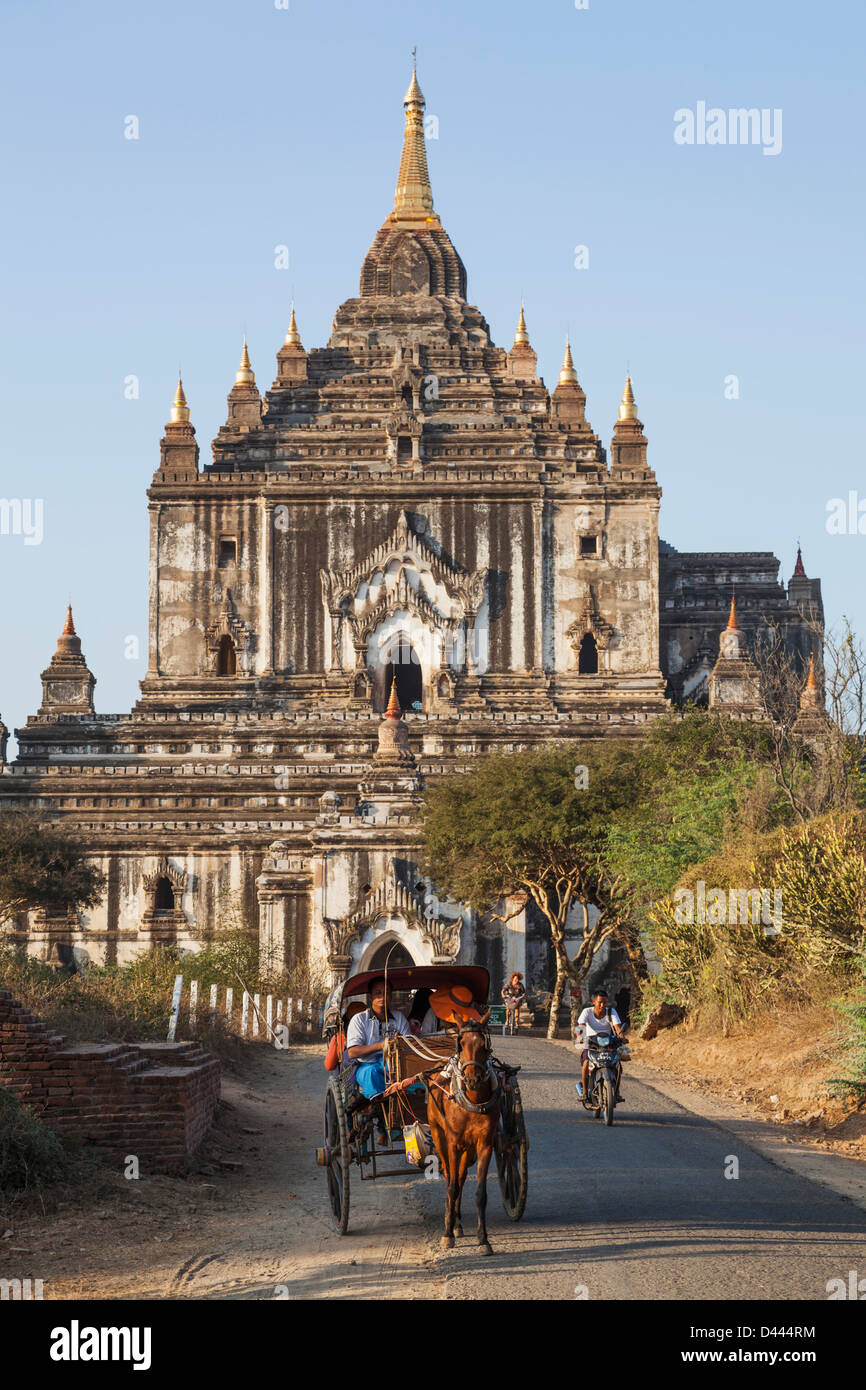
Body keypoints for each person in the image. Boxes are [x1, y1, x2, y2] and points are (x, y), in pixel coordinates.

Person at [345, 976, 410, 1101]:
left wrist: (400, 1041)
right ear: (370, 997)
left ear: (391, 996)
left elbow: (411, 1044)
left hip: (394, 1065)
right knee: (371, 1073)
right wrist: (381, 1045)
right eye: (378, 993)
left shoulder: (399, 1017)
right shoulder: (359, 1019)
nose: (383, 997)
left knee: (414, 1077)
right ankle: (379, 1104)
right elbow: (352, 1052)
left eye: (387, 993)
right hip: (368, 1065)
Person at [574, 989, 624, 1104]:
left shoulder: (611, 1012)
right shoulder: (587, 1012)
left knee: (618, 1066)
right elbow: (581, 1025)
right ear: (593, 1002)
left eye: (605, 1003)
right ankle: (584, 1092)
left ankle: (616, 1093)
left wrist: (622, 1037)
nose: (602, 1005)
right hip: (591, 1042)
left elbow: (617, 1028)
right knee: (586, 1063)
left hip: (608, 1042)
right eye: (599, 1002)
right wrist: (580, 1036)